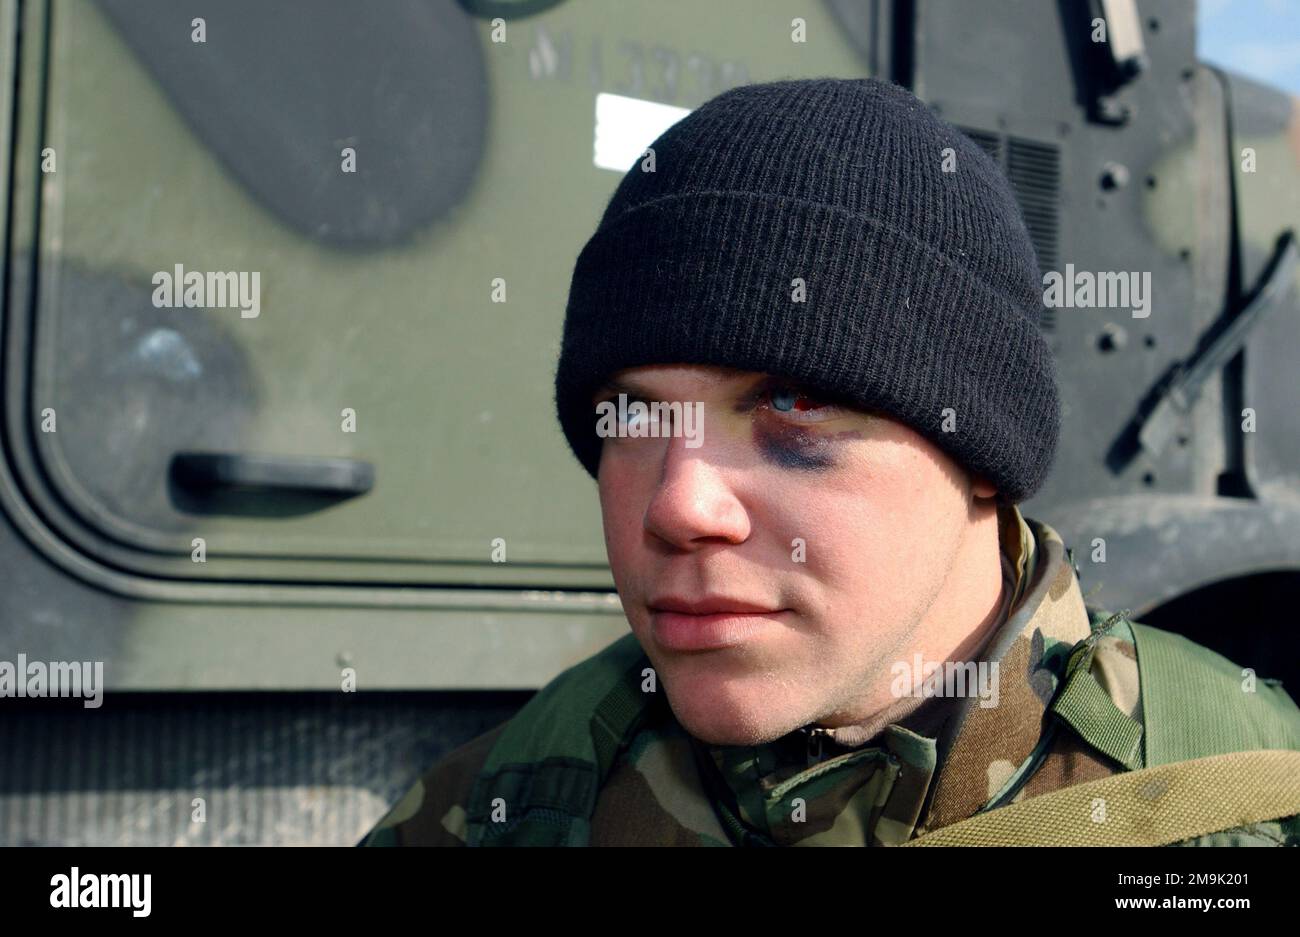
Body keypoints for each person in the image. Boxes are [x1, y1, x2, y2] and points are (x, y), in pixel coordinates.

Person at [360, 77, 1300, 847]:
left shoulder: (1244, 808)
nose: (680, 506)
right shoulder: (496, 809)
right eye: (634, 414)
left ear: (980, 458)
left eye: (794, 403)